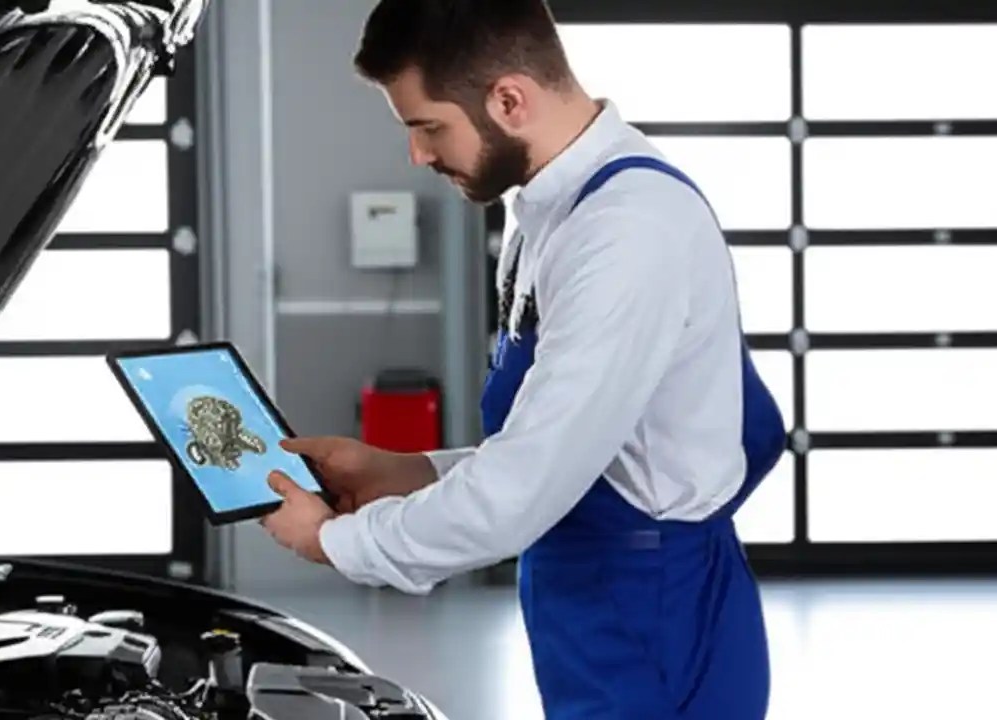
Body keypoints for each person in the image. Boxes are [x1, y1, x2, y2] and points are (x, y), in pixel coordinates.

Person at [260, 1, 788, 718]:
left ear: (509, 99)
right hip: (593, 599)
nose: (417, 154)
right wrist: (407, 473)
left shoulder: (626, 232)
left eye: (427, 126)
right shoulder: (546, 209)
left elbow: (525, 487)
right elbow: (563, 446)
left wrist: (335, 542)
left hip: (652, 622)